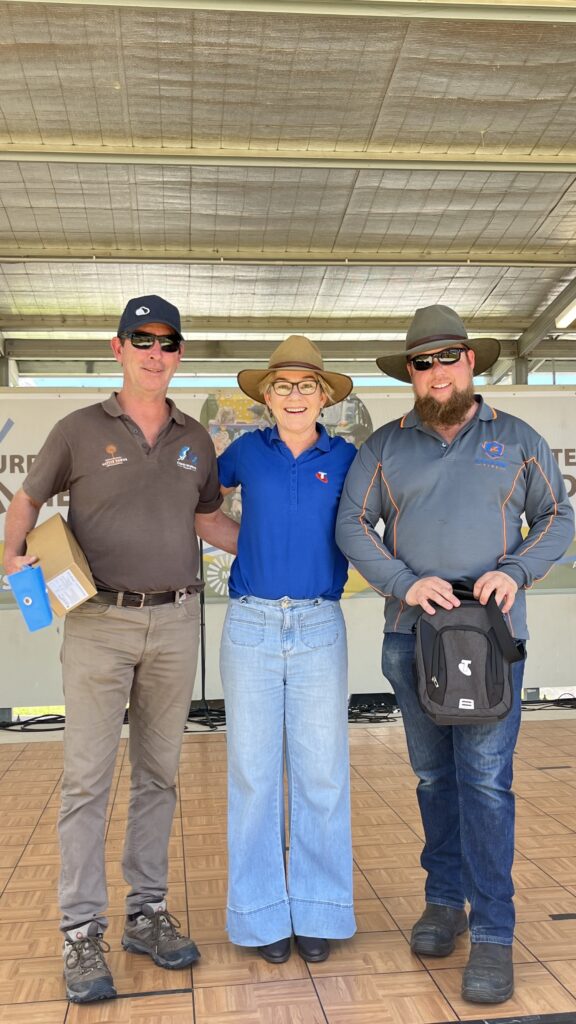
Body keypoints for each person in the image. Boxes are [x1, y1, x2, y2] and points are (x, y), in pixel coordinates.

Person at [2, 295, 238, 1004]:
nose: (154, 352)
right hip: (99, 622)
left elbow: (208, 519)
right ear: (118, 348)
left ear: (178, 355)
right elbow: (27, 500)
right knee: (86, 782)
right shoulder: (77, 429)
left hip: (175, 622)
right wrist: (12, 555)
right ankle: (80, 932)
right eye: (142, 339)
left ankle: (146, 914)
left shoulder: (196, 436)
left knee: (160, 776)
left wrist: (277, 551)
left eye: (167, 342)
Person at [335, 305, 574, 1004]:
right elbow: (352, 523)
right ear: (410, 373)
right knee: (435, 780)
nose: (436, 372)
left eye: (447, 357)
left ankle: (494, 935)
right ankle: (445, 901)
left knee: (486, 783)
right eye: (422, 362)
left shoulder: (519, 440)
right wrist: (406, 584)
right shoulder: (383, 449)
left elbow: (558, 518)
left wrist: (518, 570)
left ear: (471, 361)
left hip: (492, 647)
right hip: (412, 643)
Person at [217, 335, 357, 964]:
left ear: (324, 396)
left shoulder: (350, 457)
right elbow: (197, 508)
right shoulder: (245, 451)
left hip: (320, 626)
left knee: (322, 774)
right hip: (249, 626)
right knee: (252, 774)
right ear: (266, 397)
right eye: (283, 385)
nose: (295, 395)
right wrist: (247, 545)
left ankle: (320, 909)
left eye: (307, 385)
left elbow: (375, 524)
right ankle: (261, 917)